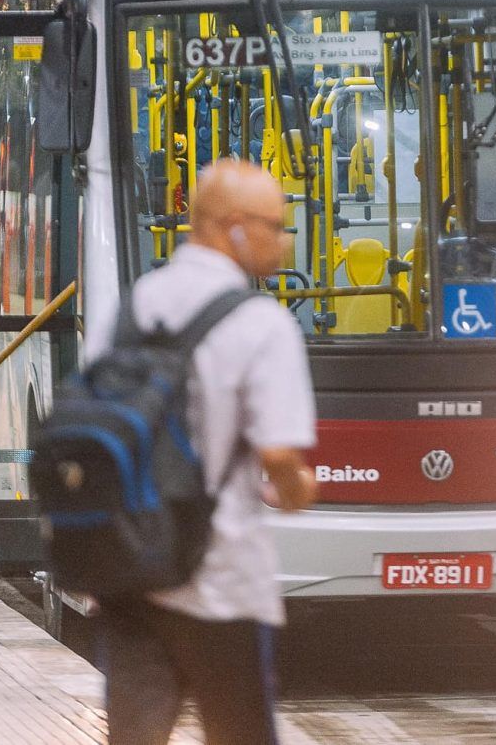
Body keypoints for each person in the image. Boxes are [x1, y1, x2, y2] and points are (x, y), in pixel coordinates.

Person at [99, 159, 317, 745]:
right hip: (219, 576)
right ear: (237, 227)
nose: (284, 238)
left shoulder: (134, 304)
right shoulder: (261, 324)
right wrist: (298, 490)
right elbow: (278, 456)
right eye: (277, 224)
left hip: (129, 567)